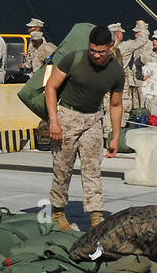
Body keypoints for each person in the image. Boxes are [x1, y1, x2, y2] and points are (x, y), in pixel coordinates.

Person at [46, 24, 124, 231]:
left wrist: (115, 136)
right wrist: (54, 121)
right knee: (63, 168)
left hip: (92, 120)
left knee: (92, 169)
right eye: (92, 51)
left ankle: (96, 216)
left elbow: (116, 105)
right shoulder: (73, 59)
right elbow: (51, 88)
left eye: (101, 52)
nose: (96, 56)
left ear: (110, 46)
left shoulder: (116, 71)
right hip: (67, 117)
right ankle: (58, 213)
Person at [118, 19, 151, 115]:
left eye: (137, 32)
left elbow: (150, 62)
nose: (135, 34)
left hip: (144, 80)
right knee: (135, 106)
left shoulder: (148, 44)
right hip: (135, 80)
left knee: (144, 106)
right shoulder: (133, 44)